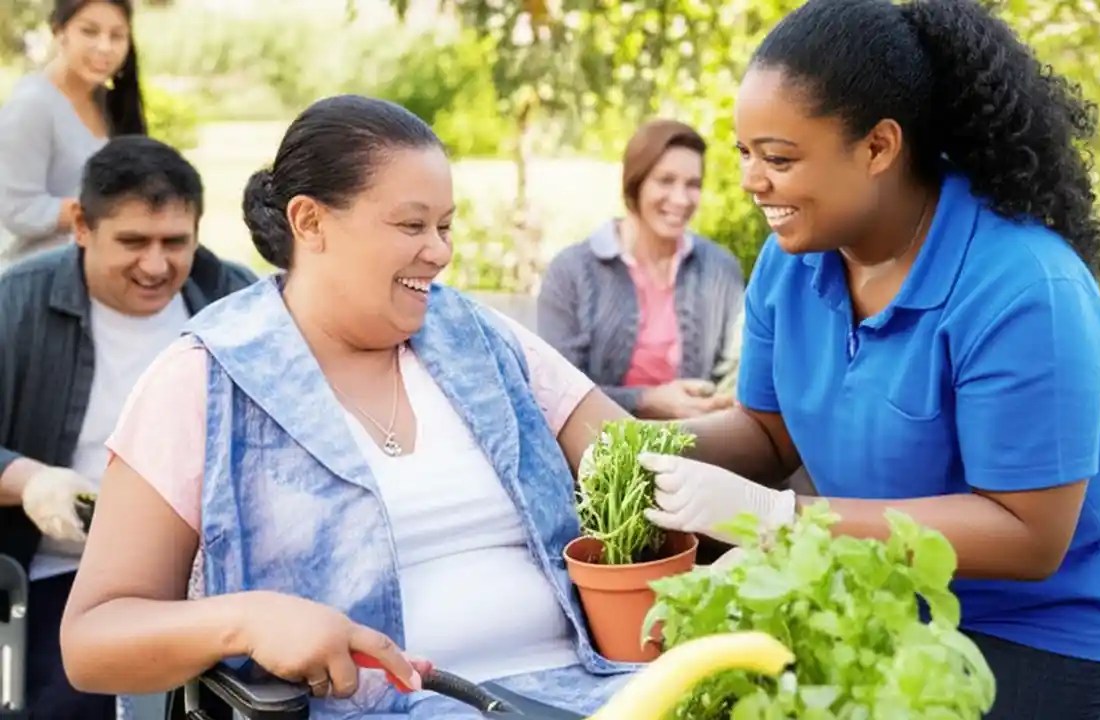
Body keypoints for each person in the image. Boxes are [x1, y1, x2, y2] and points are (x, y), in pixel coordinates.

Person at [628, 1, 1100, 718]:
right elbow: (769, 434)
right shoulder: (794, 263)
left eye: (780, 158)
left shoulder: (1021, 287)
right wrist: (630, 447)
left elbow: (1028, 534)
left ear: (879, 147)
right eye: (743, 154)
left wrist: (782, 519)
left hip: (1054, 621)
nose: (751, 182)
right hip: (901, 594)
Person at [60, 95, 639, 719]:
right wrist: (245, 622)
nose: (440, 252)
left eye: (445, 227)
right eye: (412, 226)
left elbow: (643, 466)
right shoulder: (206, 377)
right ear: (310, 222)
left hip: (586, 692)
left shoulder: (481, 337)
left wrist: (752, 504)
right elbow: (93, 641)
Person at [0, 135, 253, 719]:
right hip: (66, 574)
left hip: (217, 576)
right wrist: (29, 479)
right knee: (71, 703)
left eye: (176, 242)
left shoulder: (234, 301)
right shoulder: (19, 304)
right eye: (133, 242)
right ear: (82, 228)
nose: (156, 265)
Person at [538, 119, 744, 420]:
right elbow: (554, 390)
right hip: (595, 447)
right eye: (665, 181)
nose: (681, 199)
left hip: (698, 444)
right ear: (636, 182)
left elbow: (737, 373)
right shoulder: (572, 272)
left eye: (693, 185)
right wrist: (646, 400)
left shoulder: (720, 269)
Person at [0, 0, 146, 267]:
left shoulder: (107, 103)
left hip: (97, 275)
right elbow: (17, 210)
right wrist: (110, 209)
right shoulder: (32, 105)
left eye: (117, 36)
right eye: (89, 31)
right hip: (35, 280)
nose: (104, 47)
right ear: (59, 32)